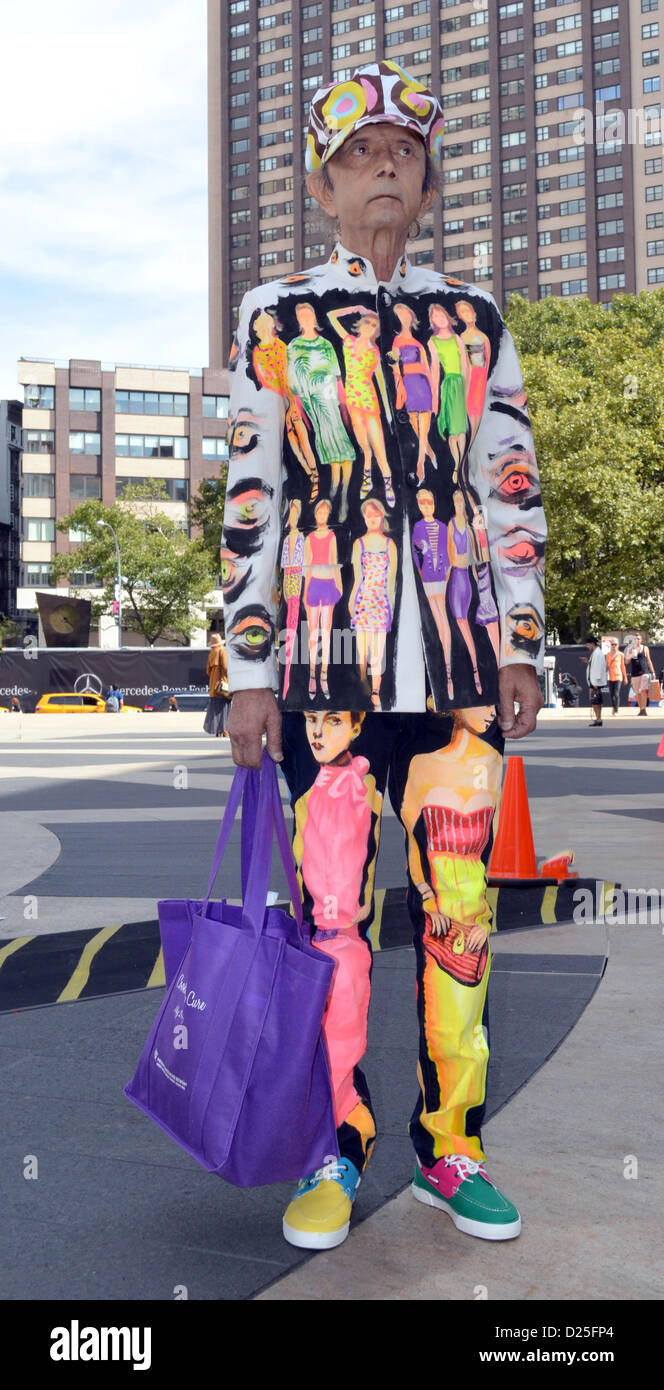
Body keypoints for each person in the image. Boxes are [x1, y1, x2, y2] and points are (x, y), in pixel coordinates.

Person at [221, 60, 547, 1251]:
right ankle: (333, 1143)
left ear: (426, 180)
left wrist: (519, 640)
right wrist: (247, 671)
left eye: (403, 153)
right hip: (321, 678)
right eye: (360, 154)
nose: (384, 169)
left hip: (460, 677)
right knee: (331, 923)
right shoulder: (277, 317)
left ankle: (451, 1146)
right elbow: (253, 494)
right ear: (323, 184)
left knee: (459, 916)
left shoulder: (476, 320)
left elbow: (506, 487)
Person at [203, 633, 230, 737]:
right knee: (225, 709)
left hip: (213, 688)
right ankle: (224, 730)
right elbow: (226, 668)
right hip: (223, 687)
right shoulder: (222, 652)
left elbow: (208, 671)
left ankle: (218, 730)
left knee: (216, 710)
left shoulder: (211, 654)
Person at [624, 632, 655, 716]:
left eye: (638, 639)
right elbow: (626, 662)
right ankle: (641, 709)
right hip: (635, 673)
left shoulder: (645, 648)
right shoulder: (630, 649)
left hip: (644, 672)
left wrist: (653, 671)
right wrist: (630, 655)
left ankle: (644, 709)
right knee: (638, 692)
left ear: (641, 640)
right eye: (635, 639)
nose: (637, 640)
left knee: (643, 690)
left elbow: (648, 660)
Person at [583, 636, 607, 727]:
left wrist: (595, 683)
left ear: (592, 644)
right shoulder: (597, 653)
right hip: (594, 682)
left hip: (595, 682)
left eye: (588, 645)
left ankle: (598, 719)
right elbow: (595, 666)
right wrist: (588, 662)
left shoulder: (597, 654)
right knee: (597, 701)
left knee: (595, 701)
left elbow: (597, 668)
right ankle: (598, 718)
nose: (587, 647)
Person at [605, 639, 627, 717]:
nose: (614, 646)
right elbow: (607, 666)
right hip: (610, 676)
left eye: (615, 644)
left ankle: (616, 709)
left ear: (618, 645)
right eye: (612, 644)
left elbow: (622, 666)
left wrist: (625, 677)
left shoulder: (620, 654)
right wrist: (603, 673)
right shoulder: (607, 654)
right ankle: (613, 707)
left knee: (616, 694)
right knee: (611, 694)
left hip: (618, 675)